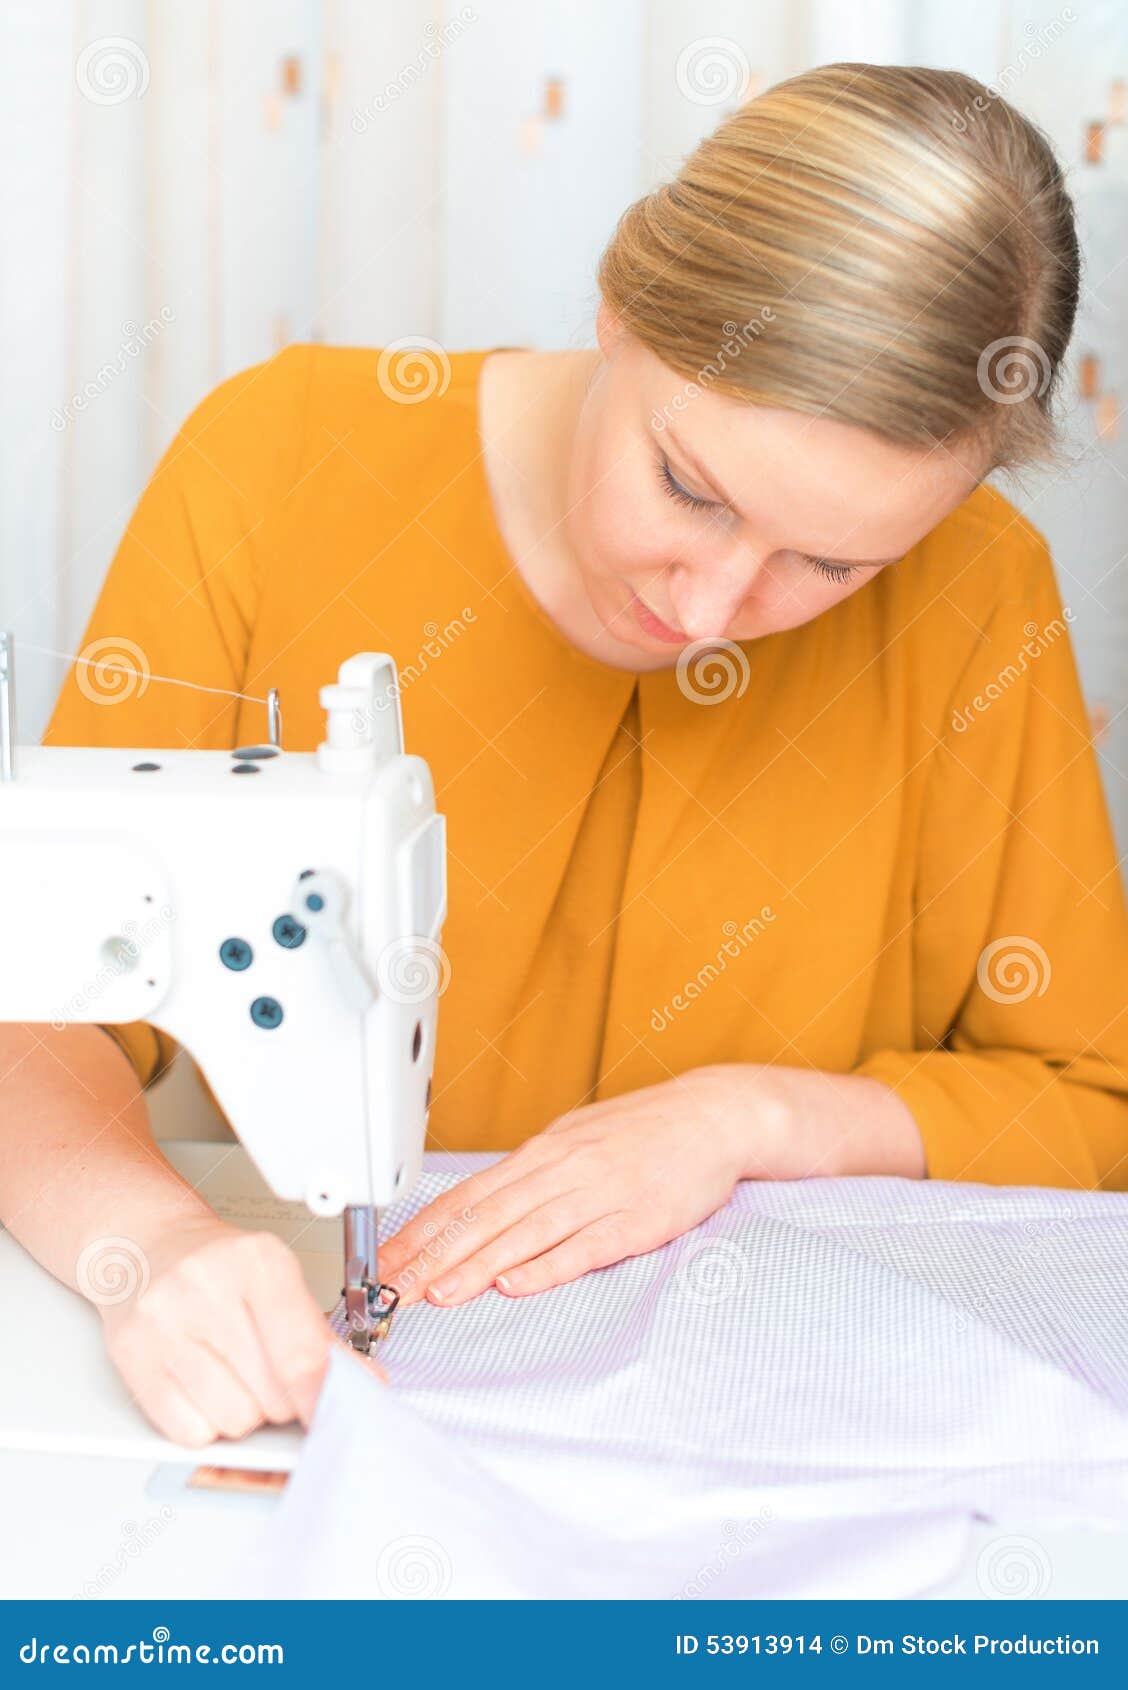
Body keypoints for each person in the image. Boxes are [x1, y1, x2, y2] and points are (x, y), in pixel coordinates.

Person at [3, 63, 1125, 1446]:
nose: (708, 615)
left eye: (831, 565)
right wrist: (149, 1243)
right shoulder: (275, 463)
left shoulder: (978, 590)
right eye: (689, 488)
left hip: (762, 1410)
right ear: (619, 305)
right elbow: (33, 1003)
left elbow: (1088, 1102)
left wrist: (747, 1121)